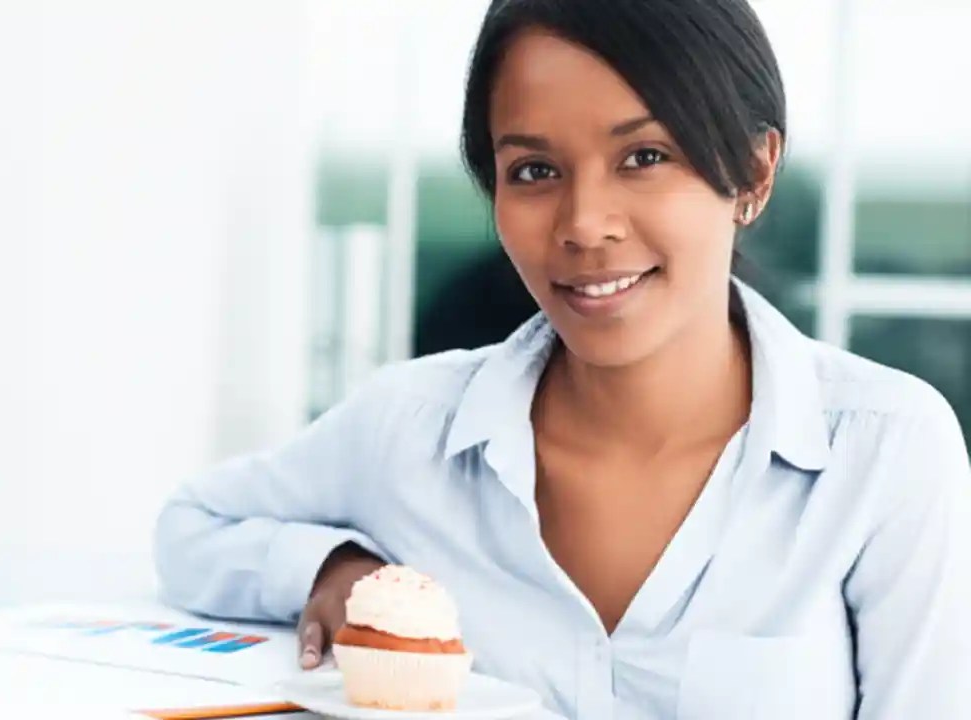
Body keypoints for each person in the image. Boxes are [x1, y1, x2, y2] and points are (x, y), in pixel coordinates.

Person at [154, 0, 971, 717]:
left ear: (754, 173)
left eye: (644, 157)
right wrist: (336, 568)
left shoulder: (886, 452)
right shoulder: (408, 430)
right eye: (535, 171)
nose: (584, 223)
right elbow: (192, 528)